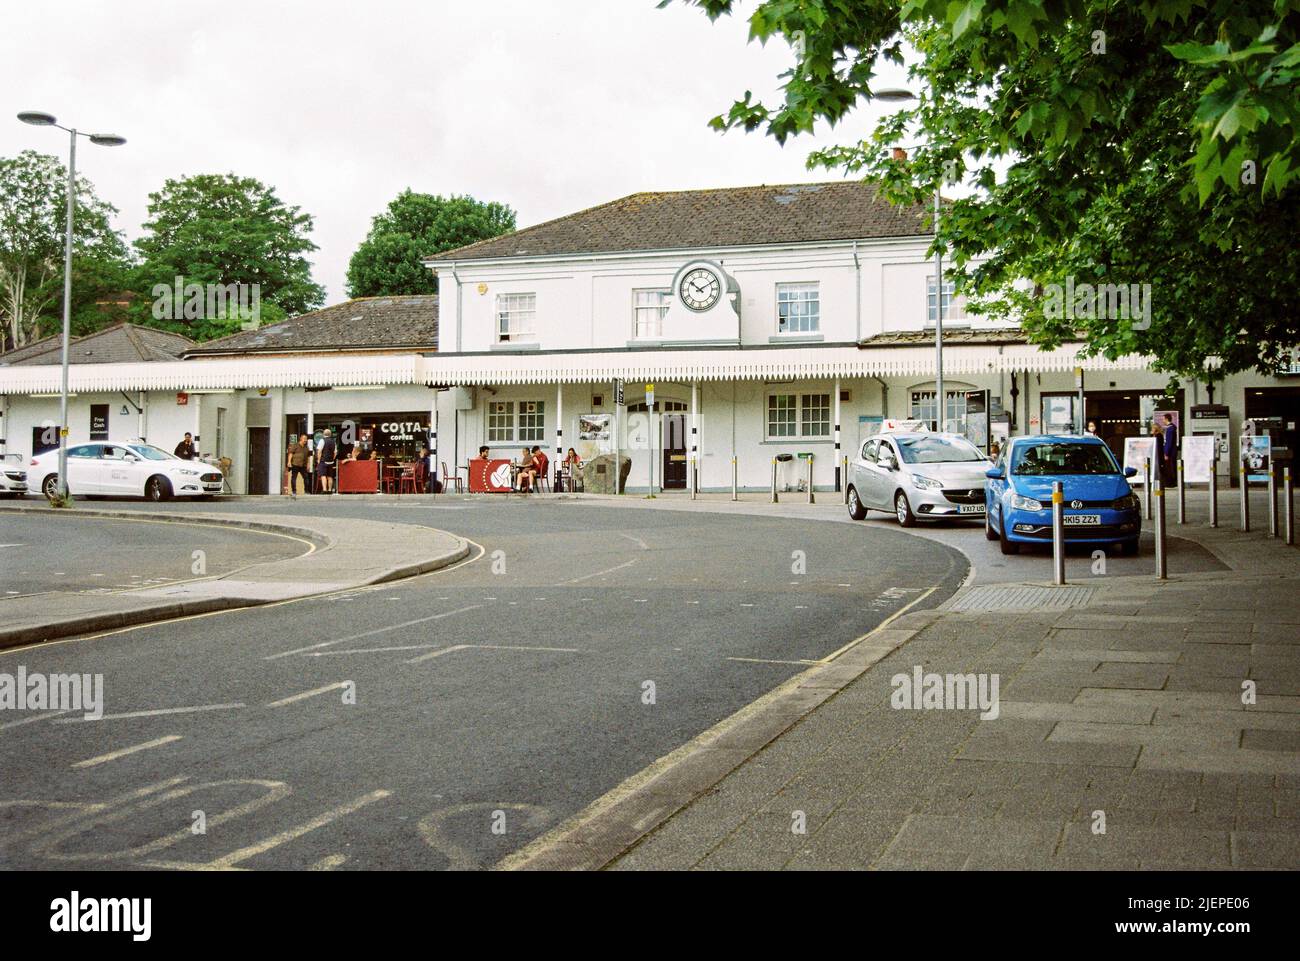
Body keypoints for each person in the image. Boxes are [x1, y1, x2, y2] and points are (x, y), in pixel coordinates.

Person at [1160, 413, 1179, 487]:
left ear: (1166, 419)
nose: (1162, 420)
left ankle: (1171, 482)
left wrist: (1166, 453)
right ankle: (1171, 482)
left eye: (1163, 419)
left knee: (1170, 468)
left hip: (1170, 452)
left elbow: (1169, 441)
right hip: (1171, 451)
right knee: (1170, 467)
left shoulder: (1170, 428)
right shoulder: (1170, 428)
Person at [318, 428, 337, 494]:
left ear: (323, 434)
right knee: (330, 476)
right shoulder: (333, 442)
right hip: (331, 461)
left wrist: (318, 459)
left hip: (323, 461)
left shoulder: (322, 440)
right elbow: (335, 453)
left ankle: (324, 489)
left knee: (323, 476)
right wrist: (332, 459)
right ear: (330, 434)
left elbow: (319, 451)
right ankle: (329, 490)